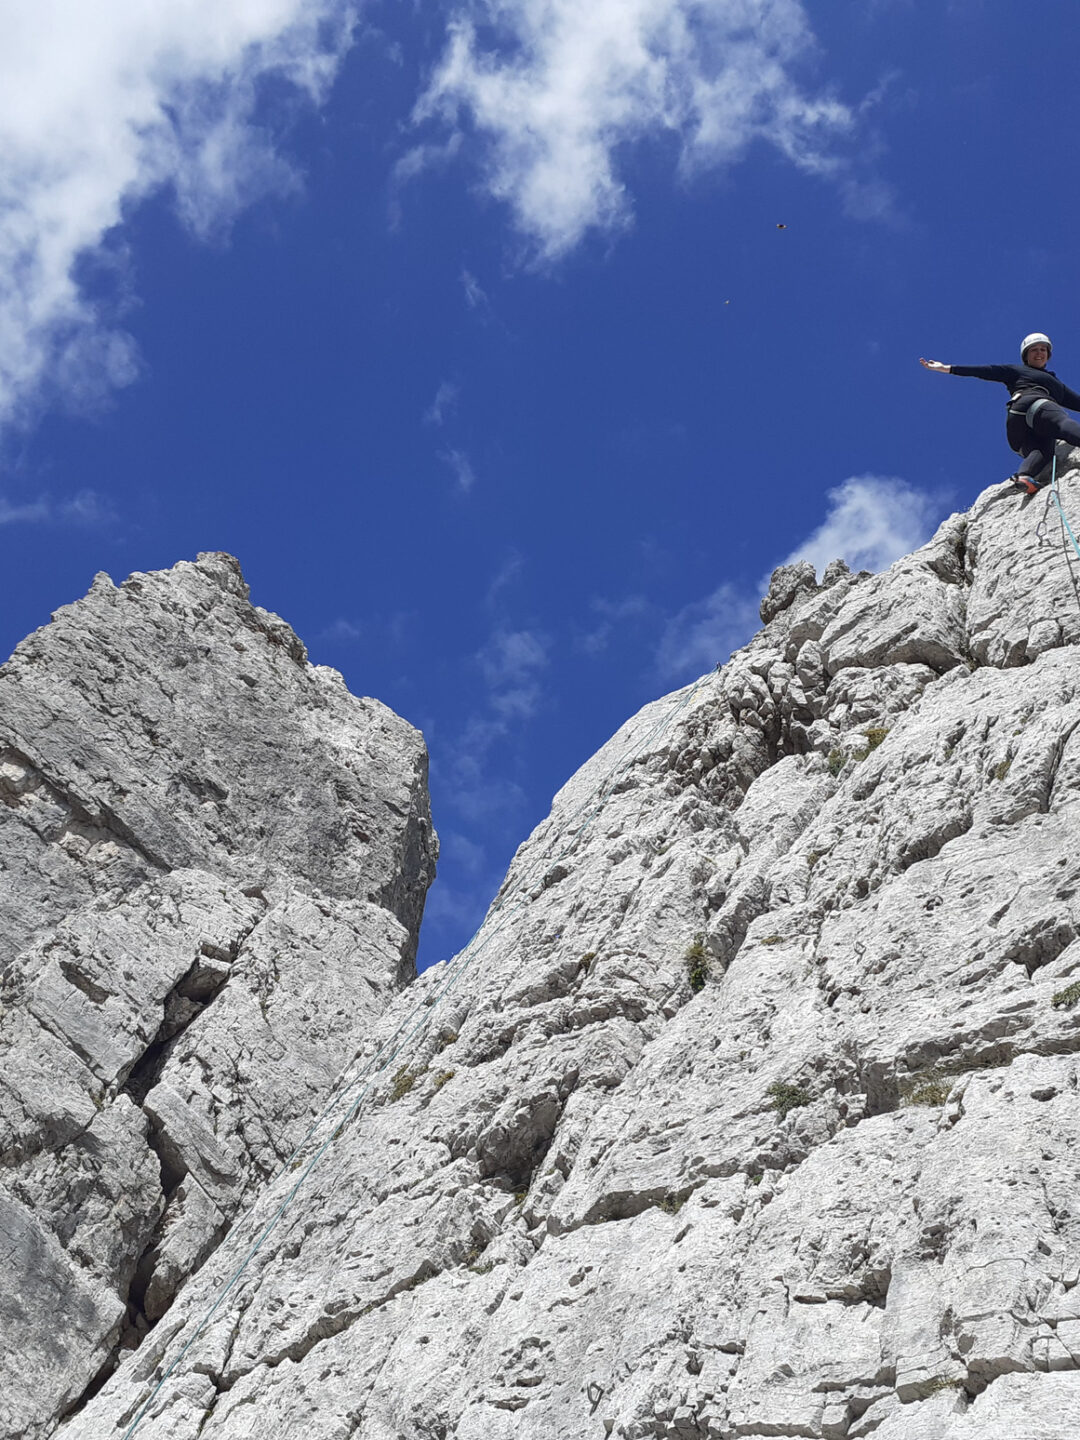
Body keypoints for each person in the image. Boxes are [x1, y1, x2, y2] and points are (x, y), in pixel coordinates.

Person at [920, 333, 1080, 494]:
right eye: (1034, 350)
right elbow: (985, 371)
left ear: (1048, 355)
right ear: (1026, 355)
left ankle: (1024, 477)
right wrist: (946, 368)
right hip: (1033, 404)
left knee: (1044, 452)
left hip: (1018, 429)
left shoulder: (1058, 387)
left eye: (1043, 350)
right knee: (1061, 422)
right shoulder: (1016, 370)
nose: (1039, 353)